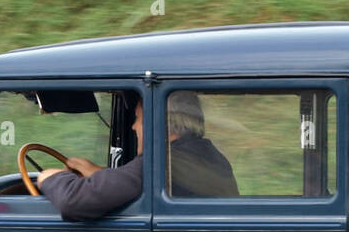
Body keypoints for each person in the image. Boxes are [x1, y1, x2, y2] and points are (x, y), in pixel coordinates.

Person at [38, 91, 238, 220]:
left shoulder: (159, 164)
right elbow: (133, 181)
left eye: (138, 118)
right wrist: (98, 173)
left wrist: (51, 178)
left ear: (161, 124)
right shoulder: (206, 154)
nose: (133, 126)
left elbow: (73, 203)